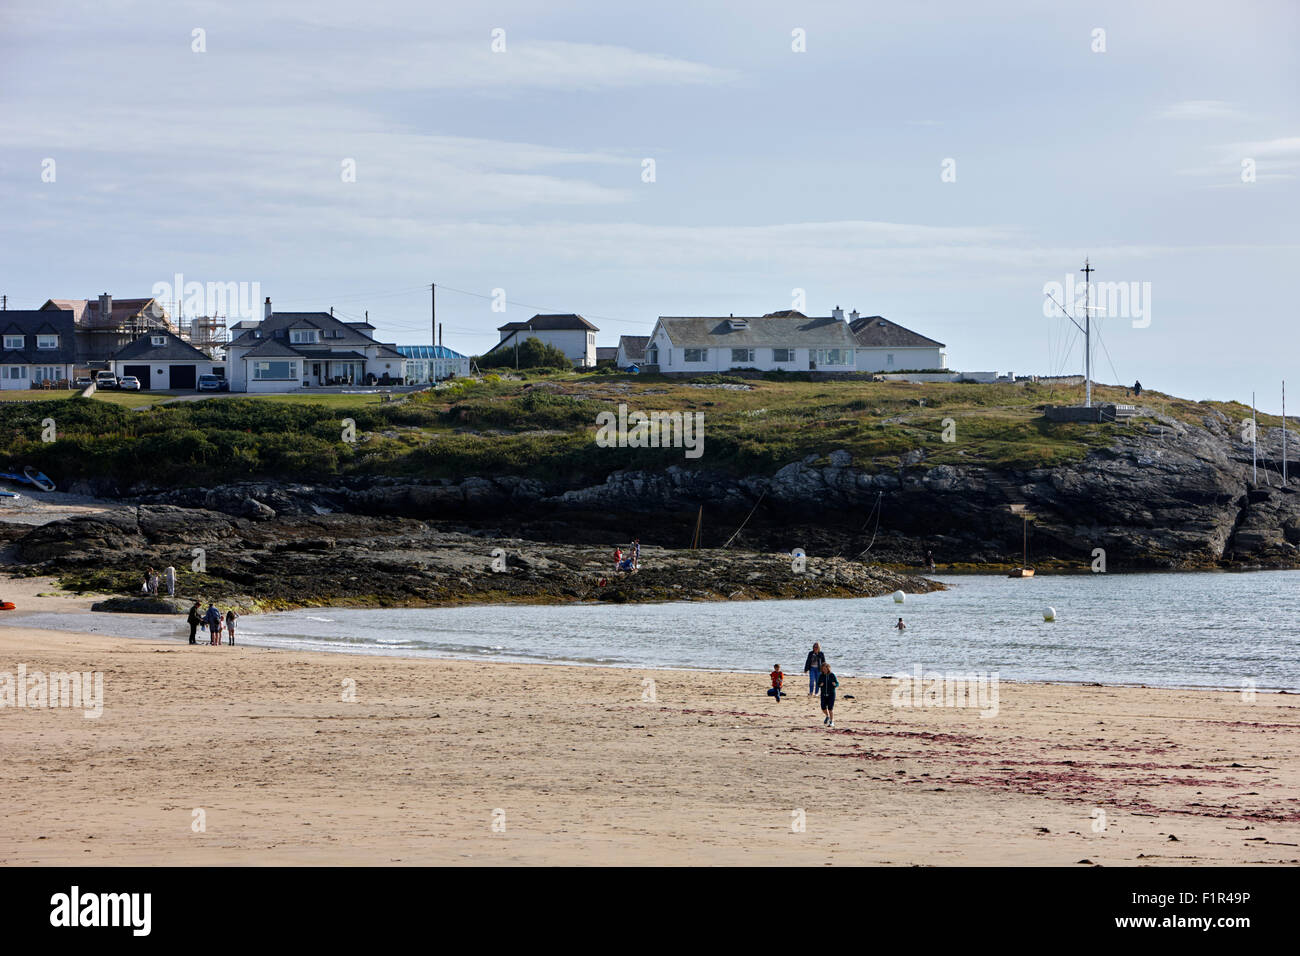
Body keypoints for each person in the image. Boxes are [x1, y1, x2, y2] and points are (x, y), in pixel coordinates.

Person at [819, 662, 839, 728]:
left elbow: (837, 683)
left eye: (825, 668)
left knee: (830, 708)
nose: (824, 670)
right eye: (823, 669)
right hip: (823, 694)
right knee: (823, 707)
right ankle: (827, 716)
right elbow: (818, 683)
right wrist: (820, 684)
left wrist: (835, 685)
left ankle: (831, 721)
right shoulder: (821, 675)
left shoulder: (832, 675)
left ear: (828, 668)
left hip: (831, 694)